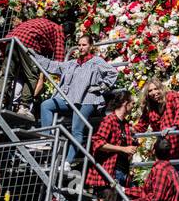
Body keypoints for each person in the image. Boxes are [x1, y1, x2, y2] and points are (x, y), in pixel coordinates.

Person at [34, 34, 119, 168]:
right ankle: (46, 139)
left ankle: (67, 162)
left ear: (91, 46)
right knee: (46, 105)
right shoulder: (72, 63)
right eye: (79, 45)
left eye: (84, 45)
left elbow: (113, 73)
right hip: (69, 99)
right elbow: (53, 65)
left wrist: (101, 87)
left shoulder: (97, 61)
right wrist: (35, 56)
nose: (81, 47)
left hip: (87, 100)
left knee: (76, 130)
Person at [3, 16, 66, 118]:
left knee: (7, 74)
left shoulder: (39, 22)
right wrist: (60, 72)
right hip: (27, 43)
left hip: (11, 39)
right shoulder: (58, 29)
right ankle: (24, 107)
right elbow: (59, 55)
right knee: (32, 76)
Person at [125, 137, 179, 201]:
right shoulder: (171, 169)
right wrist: (126, 190)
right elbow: (146, 191)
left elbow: (155, 198)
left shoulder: (160, 170)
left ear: (153, 151)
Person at [86, 89, 136, 190]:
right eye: (132, 103)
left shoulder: (125, 124)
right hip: (110, 171)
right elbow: (98, 143)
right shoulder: (109, 120)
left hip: (123, 171)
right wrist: (123, 149)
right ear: (125, 103)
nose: (133, 106)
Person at [136, 79, 179, 163]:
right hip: (163, 150)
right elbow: (142, 125)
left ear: (161, 88)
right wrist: (130, 130)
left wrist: (173, 127)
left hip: (177, 146)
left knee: (177, 172)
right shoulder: (150, 106)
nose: (154, 92)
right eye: (150, 91)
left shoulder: (171, 96)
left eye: (156, 88)